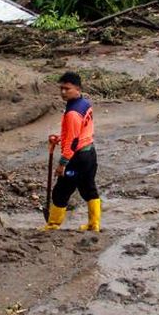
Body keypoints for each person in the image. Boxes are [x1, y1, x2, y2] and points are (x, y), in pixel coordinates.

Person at [44, 72, 101, 232]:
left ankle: (52, 225)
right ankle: (94, 224)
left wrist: (62, 164)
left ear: (77, 89)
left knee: (61, 191)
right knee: (88, 188)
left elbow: (73, 141)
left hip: (77, 158)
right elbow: (79, 133)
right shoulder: (84, 104)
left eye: (67, 89)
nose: (63, 92)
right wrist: (61, 138)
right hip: (90, 153)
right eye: (61, 88)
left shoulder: (72, 113)